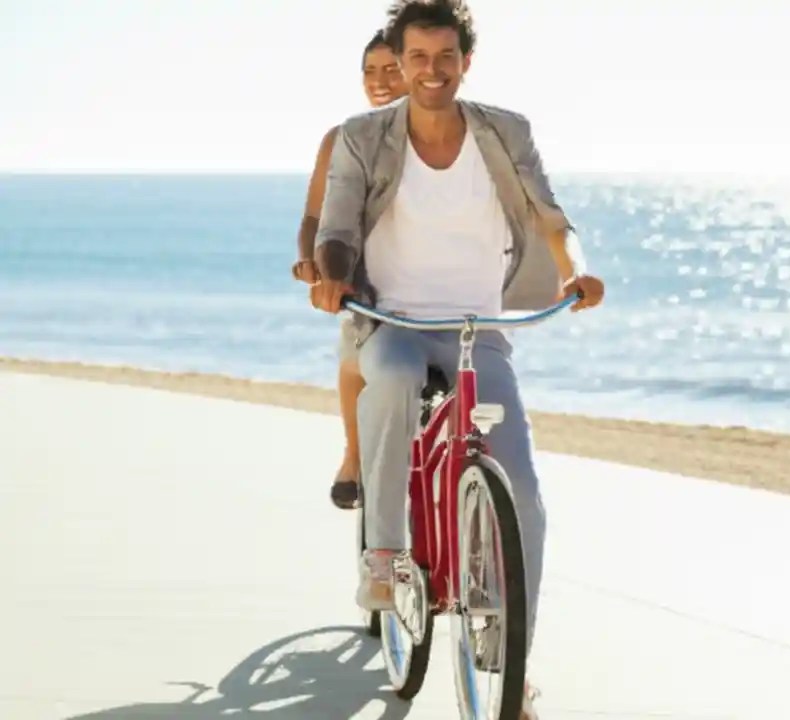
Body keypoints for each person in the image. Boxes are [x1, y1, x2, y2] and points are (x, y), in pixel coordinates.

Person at [309, 1, 605, 715]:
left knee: (523, 490)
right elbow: (337, 227)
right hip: (394, 320)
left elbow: (551, 216)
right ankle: (385, 555)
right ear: (402, 61)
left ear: (466, 62)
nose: (432, 70)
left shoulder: (505, 132)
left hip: (479, 327)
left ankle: (510, 662)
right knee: (393, 374)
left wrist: (577, 269)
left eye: (446, 57)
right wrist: (333, 276)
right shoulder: (363, 137)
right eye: (418, 57)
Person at [293, 30, 408, 510]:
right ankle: (355, 457)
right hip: (361, 277)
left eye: (391, 70)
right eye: (370, 71)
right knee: (355, 352)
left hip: (426, 277)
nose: (379, 81)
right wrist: (312, 264)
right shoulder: (342, 138)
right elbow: (313, 218)